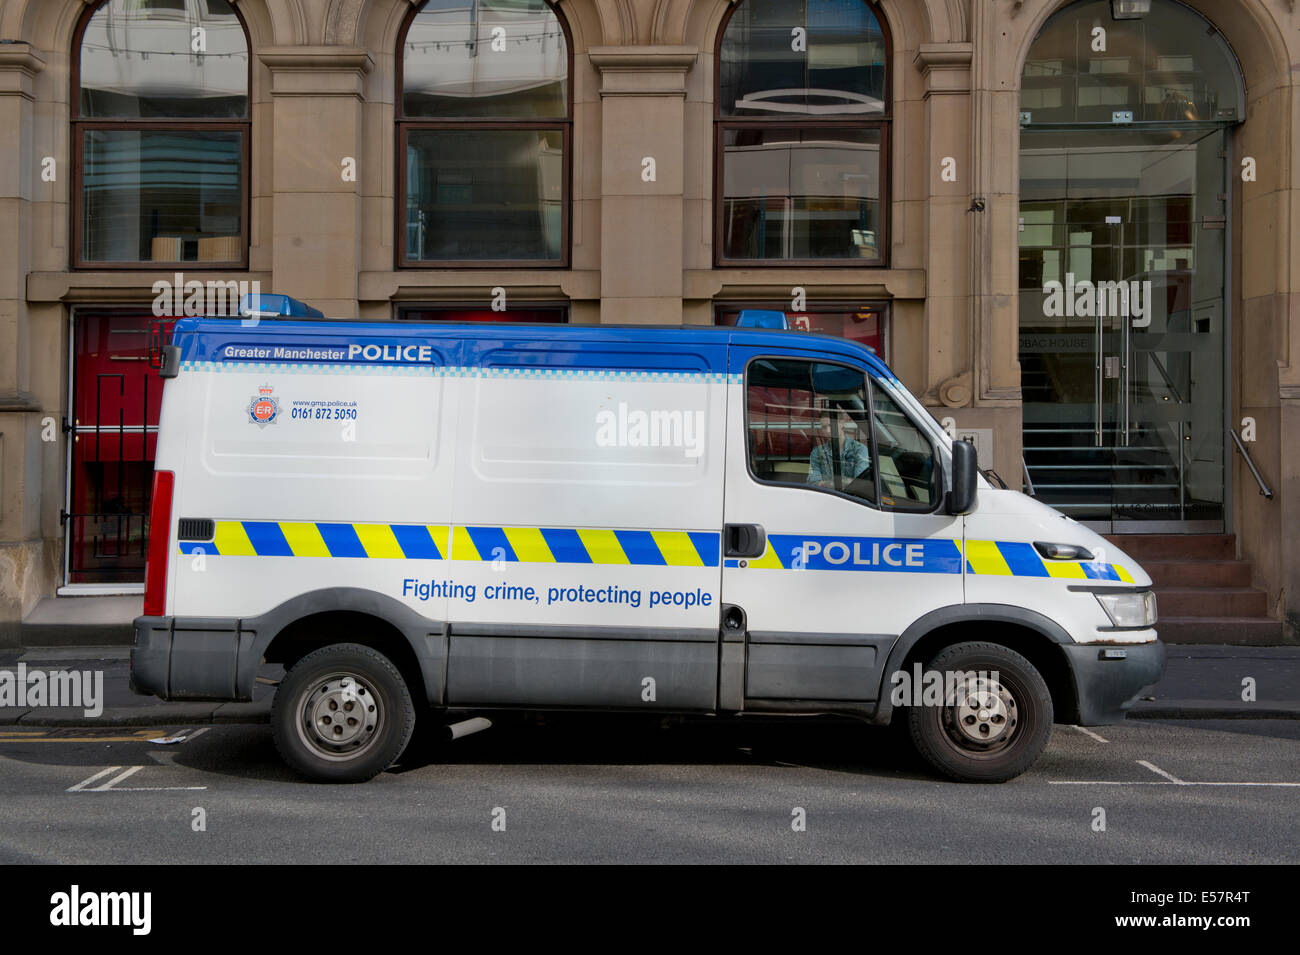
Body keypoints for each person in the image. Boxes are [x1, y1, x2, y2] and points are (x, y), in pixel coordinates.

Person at [807, 409, 872, 490]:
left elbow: (860, 483)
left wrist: (827, 483)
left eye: (831, 425)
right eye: (824, 427)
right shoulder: (817, 452)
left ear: (842, 423)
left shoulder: (859, 449)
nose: (828, 431)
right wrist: (845, 482)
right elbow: (813, 482)